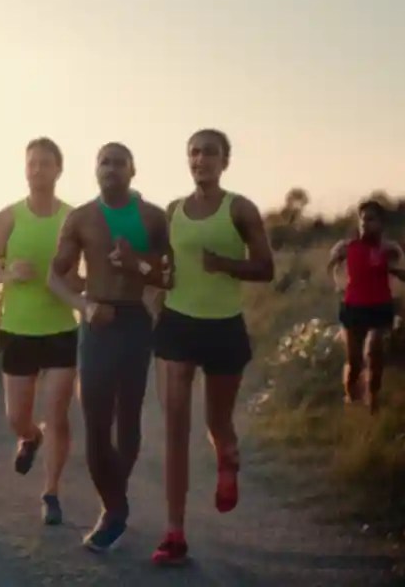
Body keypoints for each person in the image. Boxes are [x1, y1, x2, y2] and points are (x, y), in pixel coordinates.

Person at [150, 129, 275, 566]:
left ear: (226, 160)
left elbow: (266, 268)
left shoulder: (239, 208)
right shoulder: (172, 211)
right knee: (175, 432)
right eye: (194, 152)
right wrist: (140, 272)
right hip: (177, 325)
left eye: (210, 153)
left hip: (224, 328)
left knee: (217, 422)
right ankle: (174, 532)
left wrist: (224, 264)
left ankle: (227, 457)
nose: (201, 159)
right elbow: (165, 270)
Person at [48, 142, 171, 552]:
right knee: (96, 421)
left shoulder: (153, 217)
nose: (111, 168)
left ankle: (115, 499)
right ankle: (113, 508)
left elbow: (168, 275)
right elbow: (56, 277)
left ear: (133, 170)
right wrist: (84, 306)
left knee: (128, 416)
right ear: (94, 169)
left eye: (119, 162)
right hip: (97, 323)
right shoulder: (81, 218)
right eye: (104, 161)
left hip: (135, 321)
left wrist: (136, 261)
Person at [0, 138, 82, 526]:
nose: (38, 169)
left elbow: (80, 274)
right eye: (32, 163)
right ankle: (29, 437)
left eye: (45, 163)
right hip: (18, 329)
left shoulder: (74, 218)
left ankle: (51, 492)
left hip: (59, 329)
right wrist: (8, 273)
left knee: (57, 414)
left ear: (58, 169)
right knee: (16, 418)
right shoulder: (8, 217)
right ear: (25, 170)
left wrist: (79, 287)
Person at [326, 200, 405, 413]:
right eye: (362, 219)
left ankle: (373, 402)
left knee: (374, 352)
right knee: (355, 363)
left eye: (371, 219)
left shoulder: (388, 249)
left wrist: (403, 267)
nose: (365, 224)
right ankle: (352, 399)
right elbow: (330, 268)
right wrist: (338, 283)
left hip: (380, 307)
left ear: (381, 223)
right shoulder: (346, 247)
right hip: (353, 308)